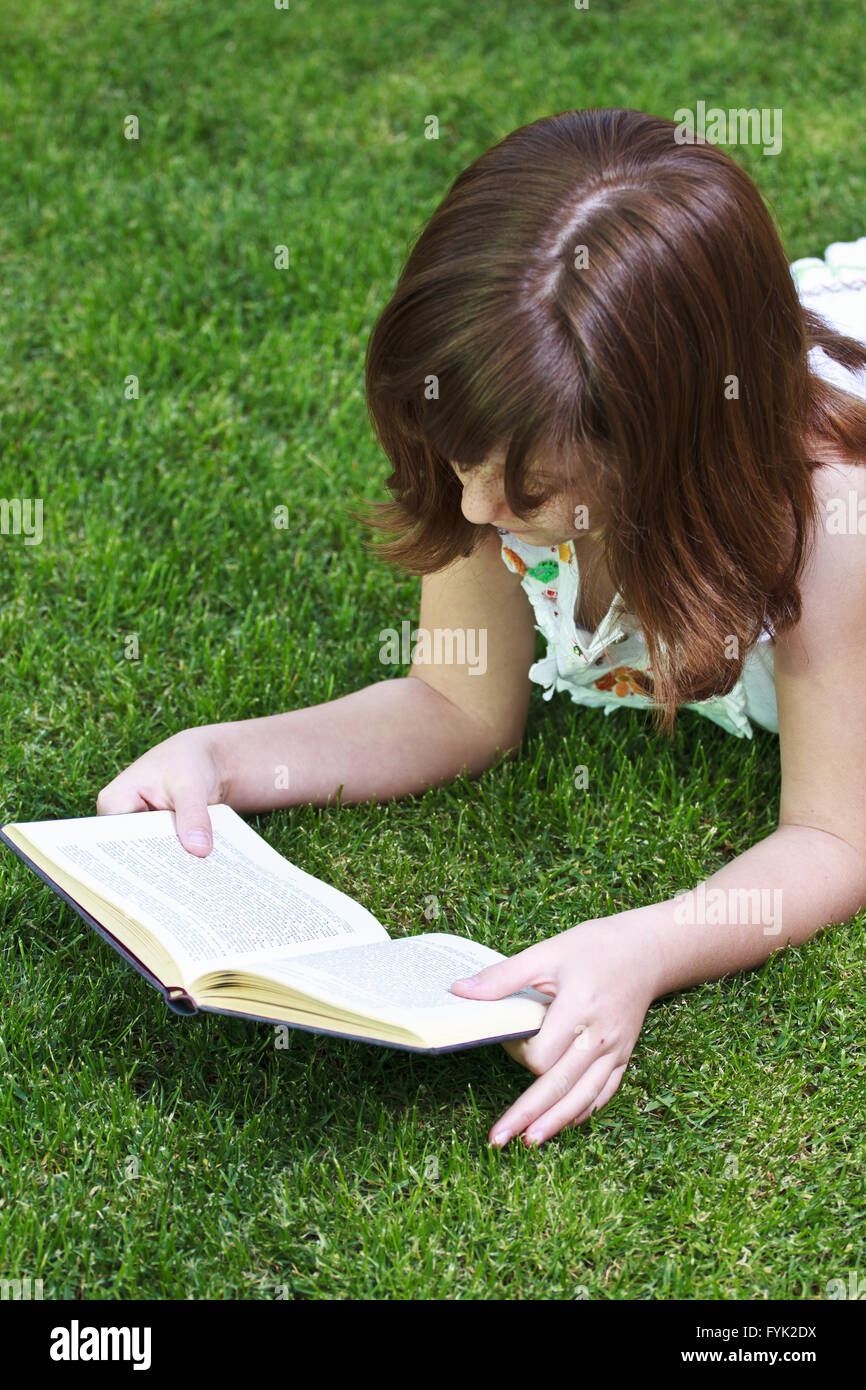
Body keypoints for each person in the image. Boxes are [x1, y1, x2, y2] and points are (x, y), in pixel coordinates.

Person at [97, 107, 866, 1149]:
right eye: (455, 459)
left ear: (667, 460)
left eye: (531, 492)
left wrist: (644, 944)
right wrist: (224, 758)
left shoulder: (824, 538)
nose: (469, 511)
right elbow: (455, 702)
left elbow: (830, 836)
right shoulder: (507, 427)